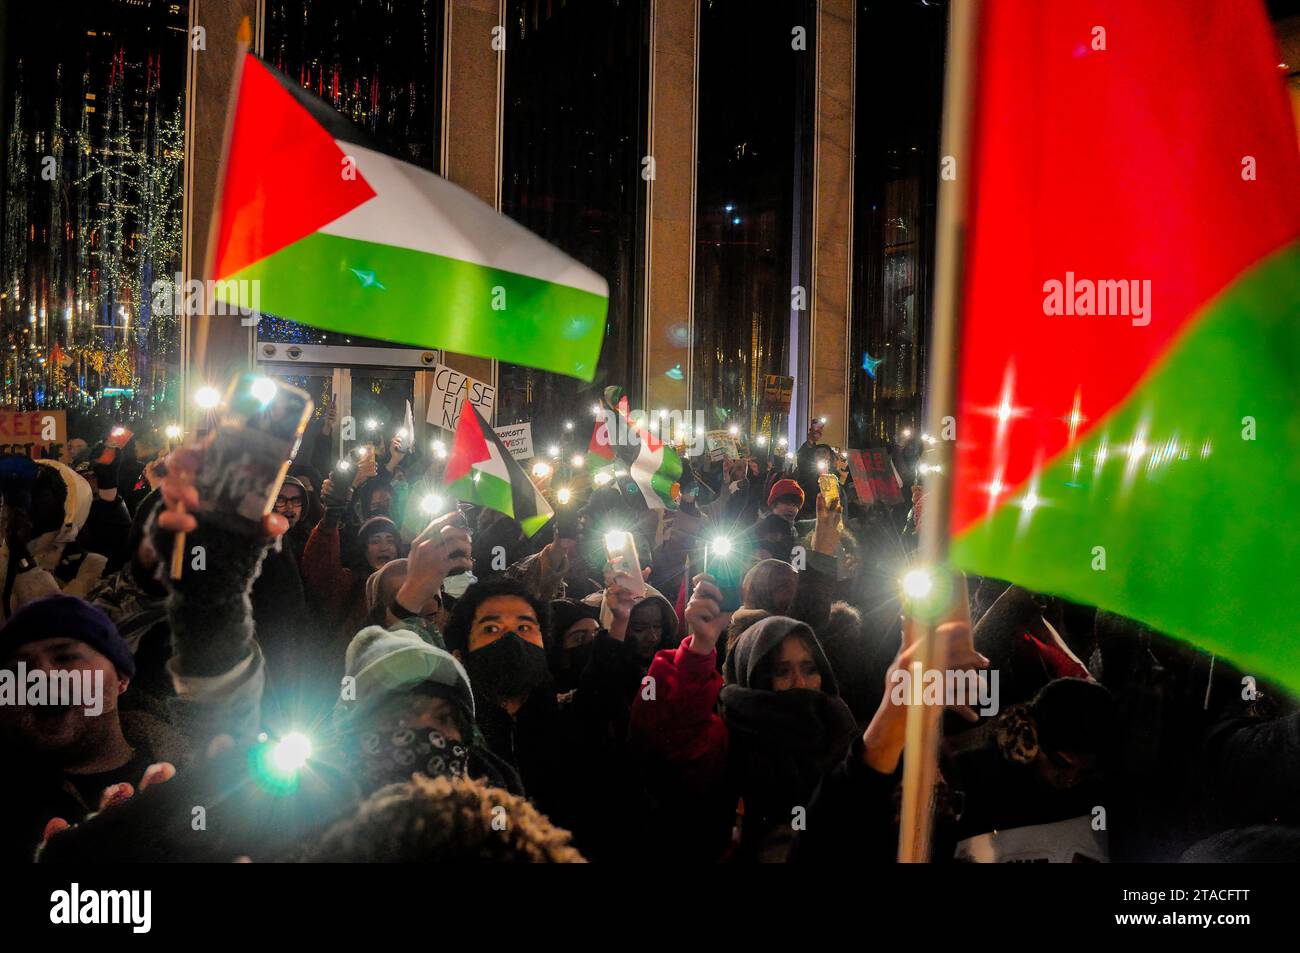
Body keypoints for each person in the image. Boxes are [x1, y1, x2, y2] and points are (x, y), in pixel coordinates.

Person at [628, 574, 858, 862]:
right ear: (756, 676)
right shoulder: (731, 733)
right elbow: (666, 743)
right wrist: (699, 647)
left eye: (810, 668)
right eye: (781, 671)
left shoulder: (839, 726)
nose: (800, 682)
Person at [0, 595, 182, 862]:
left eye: (65, 656)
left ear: (120, 678)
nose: (41, 677)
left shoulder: (203, 771)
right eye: (19, 669)